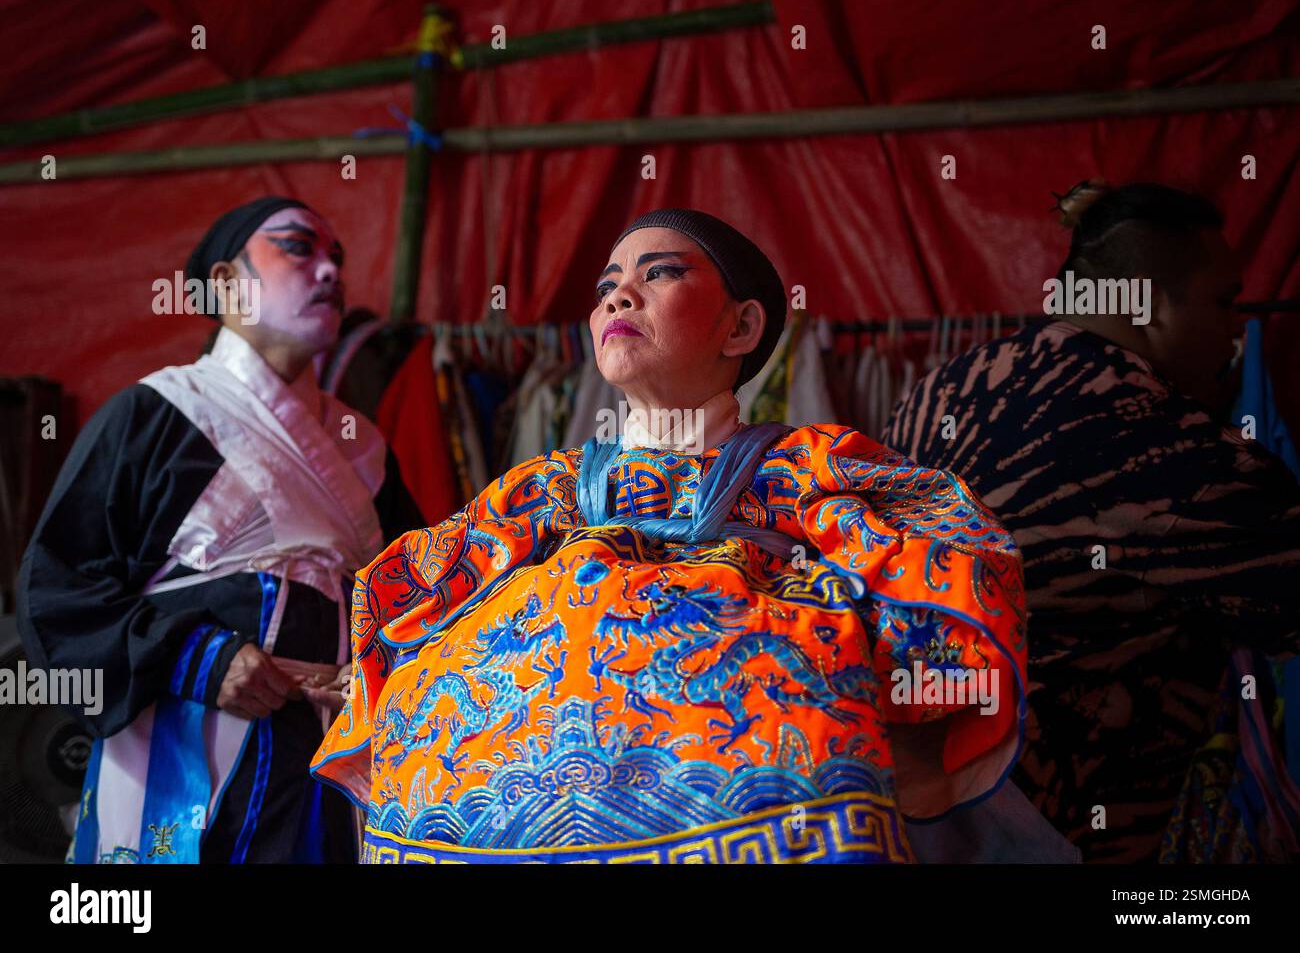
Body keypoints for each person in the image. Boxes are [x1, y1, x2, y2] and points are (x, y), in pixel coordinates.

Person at [311, 208, 1034, 864]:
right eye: (606, 288)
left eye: (658, 274)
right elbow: (407, 590)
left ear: (742, 328)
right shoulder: (543, 490)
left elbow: (948, 565)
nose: (618, 298)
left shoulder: (807, 467)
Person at [882, 183, 1300, 862]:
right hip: (1062, 833)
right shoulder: (1160, 439)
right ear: (1152, 304)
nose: (1236, 330)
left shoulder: (938, 391)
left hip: (921, 818)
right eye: (1224, 301)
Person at [18, 196, 424, 864]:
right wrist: (197, 658)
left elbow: (420, 595)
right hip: (188, 751)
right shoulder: (156, 413)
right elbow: (54, 591)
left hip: (337, 767)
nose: (329, 271)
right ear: (227, 283)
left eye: (337, 258)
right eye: (298, 247)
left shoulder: (364, 451)